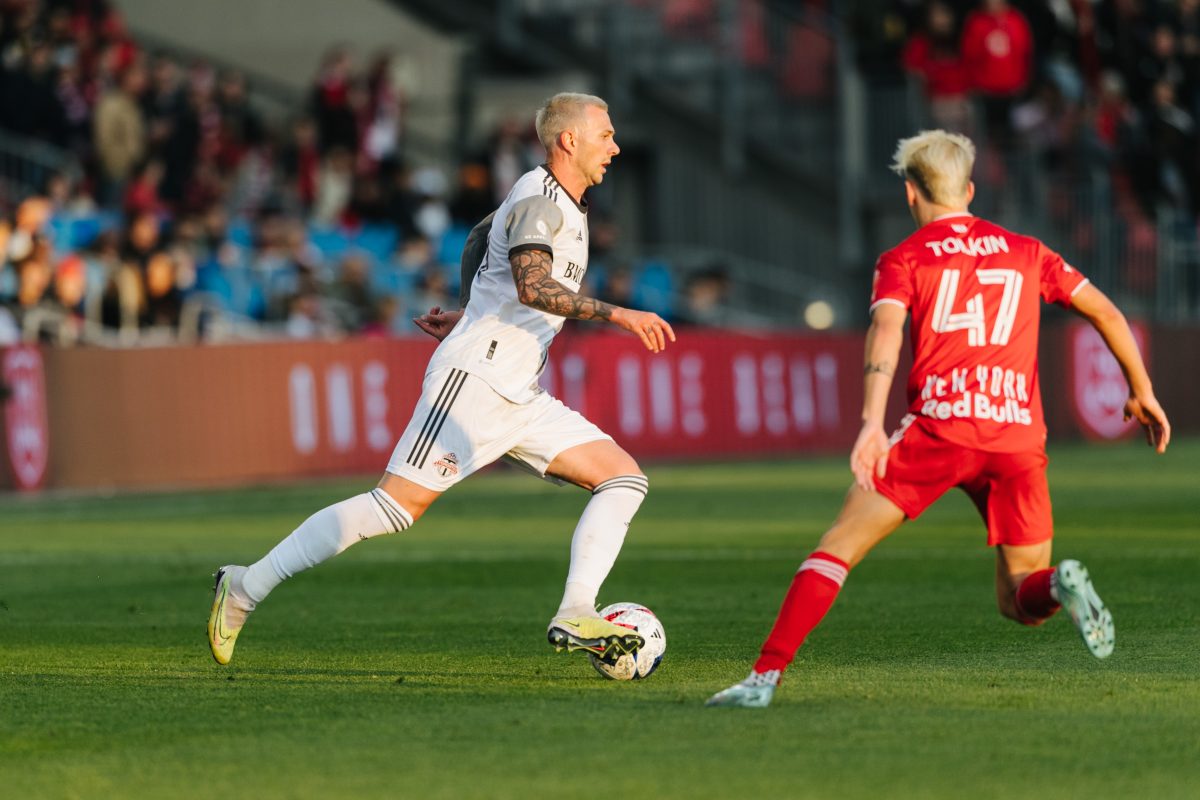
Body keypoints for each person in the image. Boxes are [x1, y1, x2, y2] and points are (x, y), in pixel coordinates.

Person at [706, 130, 1170, 709]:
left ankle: (763, 679)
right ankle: (1059, 584)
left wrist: (873, 423)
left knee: (837, 547)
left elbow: (886, 332)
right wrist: (1141, 388)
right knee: (1021, 599)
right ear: (970, 189)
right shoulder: (1028, 251)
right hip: (1015, 436)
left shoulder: (903, 258)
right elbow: (1103, 308)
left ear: (910, 194)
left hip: (940, 431)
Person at [208, 93, 676, 666]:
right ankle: (245, 587)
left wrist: (472, 307)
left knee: (624, 479)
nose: (616, 146)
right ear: (569, 140)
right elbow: (531, 286)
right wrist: (617, 313)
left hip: (519, 392)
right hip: (476, 379)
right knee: (393, 509)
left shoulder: (559, 203)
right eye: (605, 134)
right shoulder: (540, 197)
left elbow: (481, 238)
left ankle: (576, 609)